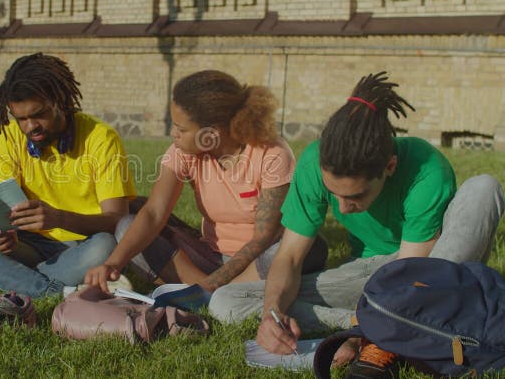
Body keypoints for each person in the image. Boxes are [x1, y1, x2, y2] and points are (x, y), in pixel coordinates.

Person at [209, 72, 505, 377]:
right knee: (226, 301)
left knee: (484, 188)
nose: (342, 207)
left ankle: (381, 334)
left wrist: (364, 336)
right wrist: (273, 314)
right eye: (333, 194)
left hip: (429, 268)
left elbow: (410, 275)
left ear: (389, 167)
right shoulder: (313, 163)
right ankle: (362, 323)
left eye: (354, 196)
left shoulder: (425, 168)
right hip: (368, 276)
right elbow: (290, 257)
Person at [84, 70, 327, 309]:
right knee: (128, 226)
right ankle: (215, 293)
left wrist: (212, 284)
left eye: (181, 129)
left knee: (295, 250)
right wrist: (113, 263)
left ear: (213, 133)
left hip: (257, 262)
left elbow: (262, 239)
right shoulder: (183, 152)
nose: (173, 134)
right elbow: (154, 213)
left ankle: (209, 292)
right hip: (209, 257)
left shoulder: (272, 155)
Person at [0, 53, 135, 322]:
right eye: (21, 119)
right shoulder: (8, 136)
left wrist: (58, 217)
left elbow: (116, 220)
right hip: (26, 246)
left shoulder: (101, 138)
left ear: (61, 102)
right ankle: (60, 292)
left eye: (39, 115)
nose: (30, 127)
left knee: (106, 246)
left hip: (79, 248)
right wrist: (1, 236)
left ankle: (10, 281)